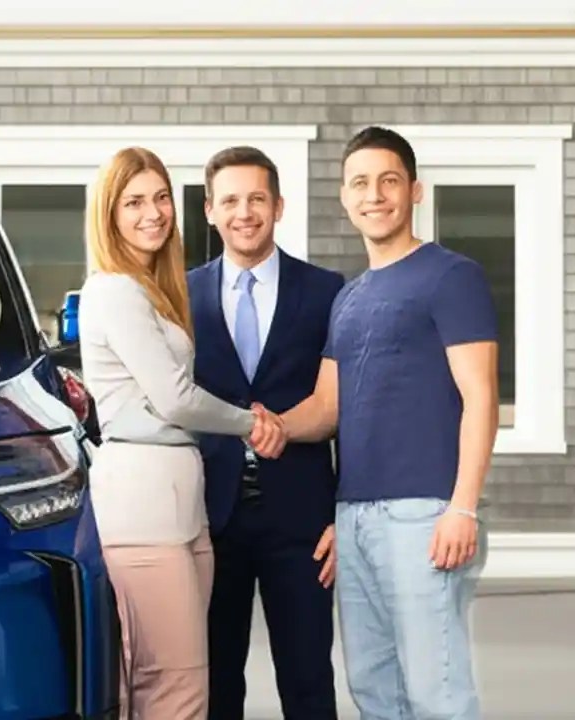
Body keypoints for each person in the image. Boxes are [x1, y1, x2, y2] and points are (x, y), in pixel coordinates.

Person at [282, 126, 498, 720]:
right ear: (344, 198)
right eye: (360, 183)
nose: (373, 194)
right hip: (355, 519)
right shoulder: (348, 298)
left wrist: (462, 507)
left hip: (425, 514)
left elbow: (481, 397)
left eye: (388, 181)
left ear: (415, 191)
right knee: (375, 689)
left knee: (436, 693)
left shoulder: (451, 276)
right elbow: (325, 409)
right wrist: (254, 424)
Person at [78, 146, 285, 720]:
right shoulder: (116, 289)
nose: (154, 213)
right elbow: (175, 397)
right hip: (143, 499)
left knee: (164, 683)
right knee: (177, 689)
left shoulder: (150, 289)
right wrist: (252, 423)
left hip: (180, 503)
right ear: (109, 214)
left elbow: (168, 402)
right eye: (135, 202)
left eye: (162, 197)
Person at [187, 146, 344, 720]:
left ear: (279, 205)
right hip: (209, 521)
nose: (244, 212)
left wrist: (341, 513)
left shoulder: (327, 291)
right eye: (230, 200)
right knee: (217, 685)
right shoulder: (182, 296)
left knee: (307, 683)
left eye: (256, 198)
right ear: (209, 210)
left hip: (301, 521)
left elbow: (347, 408)